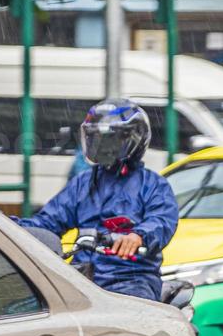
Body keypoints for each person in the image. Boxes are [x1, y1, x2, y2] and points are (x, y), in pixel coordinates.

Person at [14, 99, 177, 301]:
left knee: (130, 321)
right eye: (95, 138)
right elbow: (48, 221)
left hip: (131, 278)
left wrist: (137, 236)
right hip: (80, 276)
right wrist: (9, 226)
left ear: (132, 139)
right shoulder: (83, 183)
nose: (100, 145)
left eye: (108, 139)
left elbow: (161, 221)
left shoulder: (153, 185)